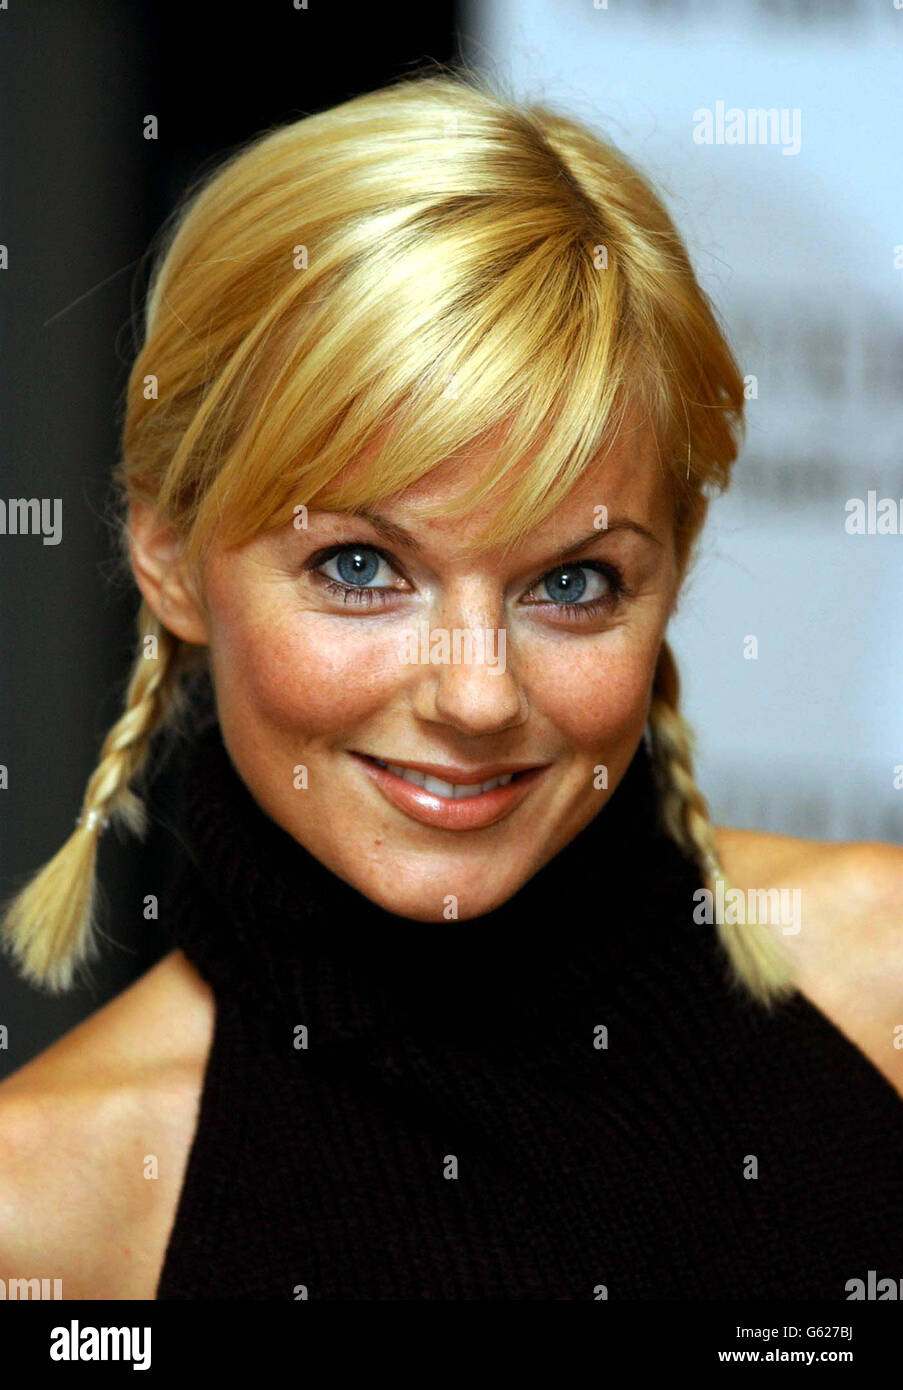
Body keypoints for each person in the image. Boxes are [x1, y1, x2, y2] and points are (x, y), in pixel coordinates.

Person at [1, 66, 900, 1301]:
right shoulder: (41, 1211)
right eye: (361, 566)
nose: (478, 698)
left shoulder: (886, 981)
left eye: (572, 583)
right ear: (167, 553)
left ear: (675, 567)